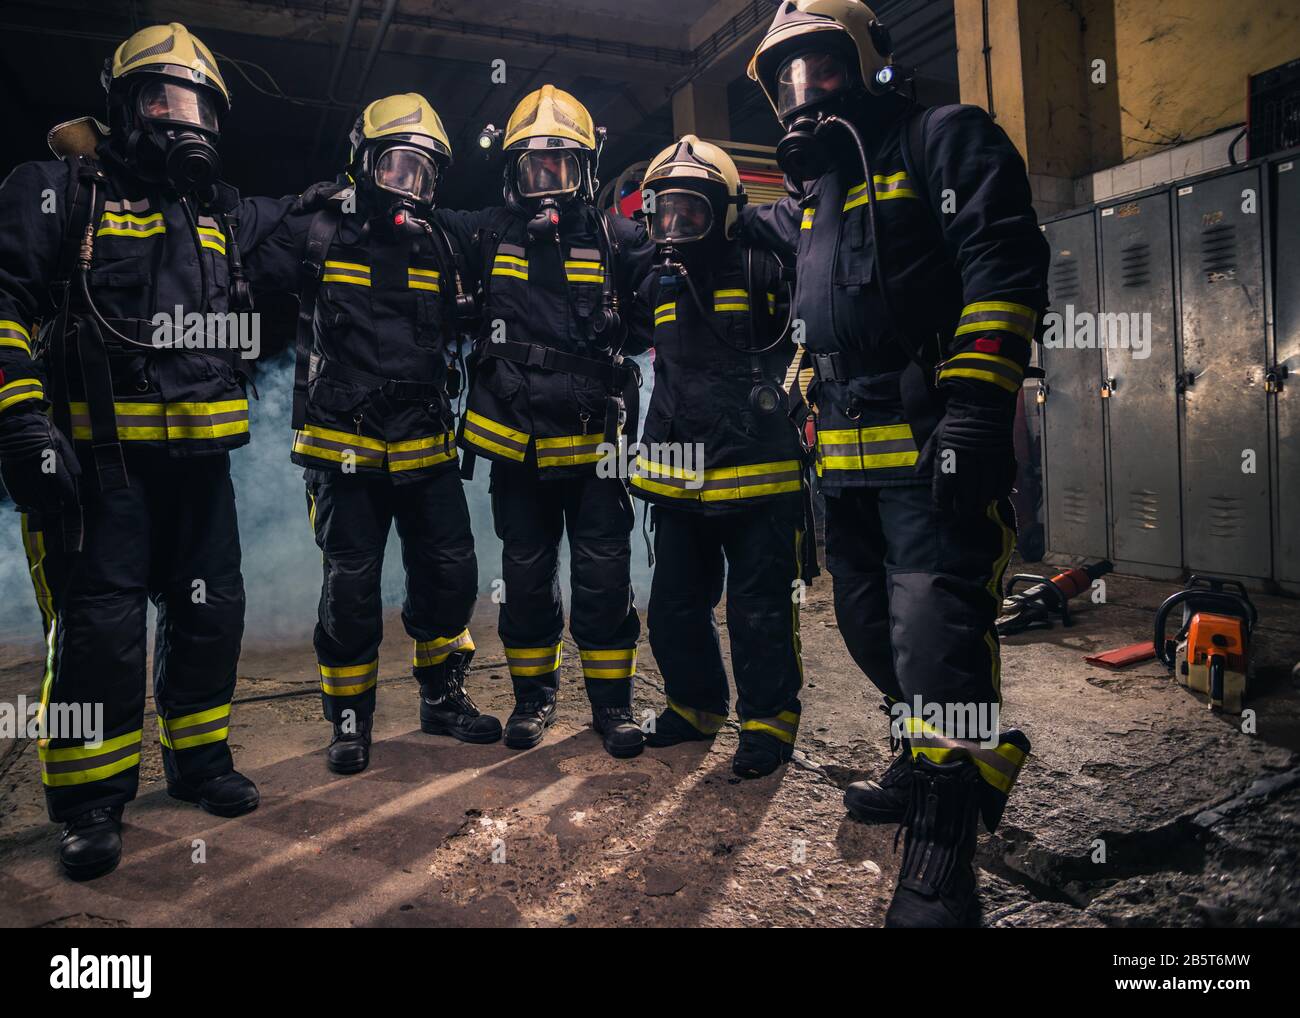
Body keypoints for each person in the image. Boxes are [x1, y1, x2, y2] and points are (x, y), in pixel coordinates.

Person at [744, 0, 1049, 926]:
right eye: (789, 82)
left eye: (823, 71)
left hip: (933, 455)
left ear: (870, 64)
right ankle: (944, 757)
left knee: (934, 642)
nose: (807, 97)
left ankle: (941, 861)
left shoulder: (942, 141)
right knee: (872, 631)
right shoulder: (815, 201)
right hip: (846, 465)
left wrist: (975, 412)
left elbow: (1004, 265)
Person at [0, 23, 284, 879]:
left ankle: (198, 761)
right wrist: (19, 419)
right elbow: (4, 299)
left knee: (210, 614)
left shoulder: (218, 212)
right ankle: (90, 802)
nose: (183, 119)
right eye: (165, 98)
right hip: (99, 470)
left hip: (202, 468)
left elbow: (301, 222)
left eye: (199, 103)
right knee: (100, 632)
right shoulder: (58, 191)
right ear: (125, 108)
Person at [242, 94, 495, 775]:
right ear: (363, 165)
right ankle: (349, 723)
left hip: (426, 442)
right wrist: (298, 204)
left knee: (451, 575)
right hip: (342, 444)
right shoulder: (318, 232)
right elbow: (237, 258)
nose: (409, 184)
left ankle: (442, 697)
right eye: (395, 166)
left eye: (422, 171)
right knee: (351, 590)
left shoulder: (445, 242)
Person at [438, 86, 654, 758]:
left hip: (595, 449)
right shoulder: (486, 235)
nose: (547, 183)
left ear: (586, 170)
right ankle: (533, 699)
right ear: (513, 175)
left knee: (603, 577)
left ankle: (611, 706)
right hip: (519, 451)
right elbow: (423, 220)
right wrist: (357, 194)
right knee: (526, 581)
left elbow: (674, 292)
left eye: (560, 167)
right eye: (534, 169)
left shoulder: (622, 244)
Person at [632, 136, 810, 778]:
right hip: (678, 478)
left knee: (758, 609)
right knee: (676, 605)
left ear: (724, 211)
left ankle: (767, 725)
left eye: (692, 213)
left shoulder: (764, 264)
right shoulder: (654, 278)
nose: (676, 228)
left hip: (758, 477)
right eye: (666, 214)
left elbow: (811, 333)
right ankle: (694, 707)